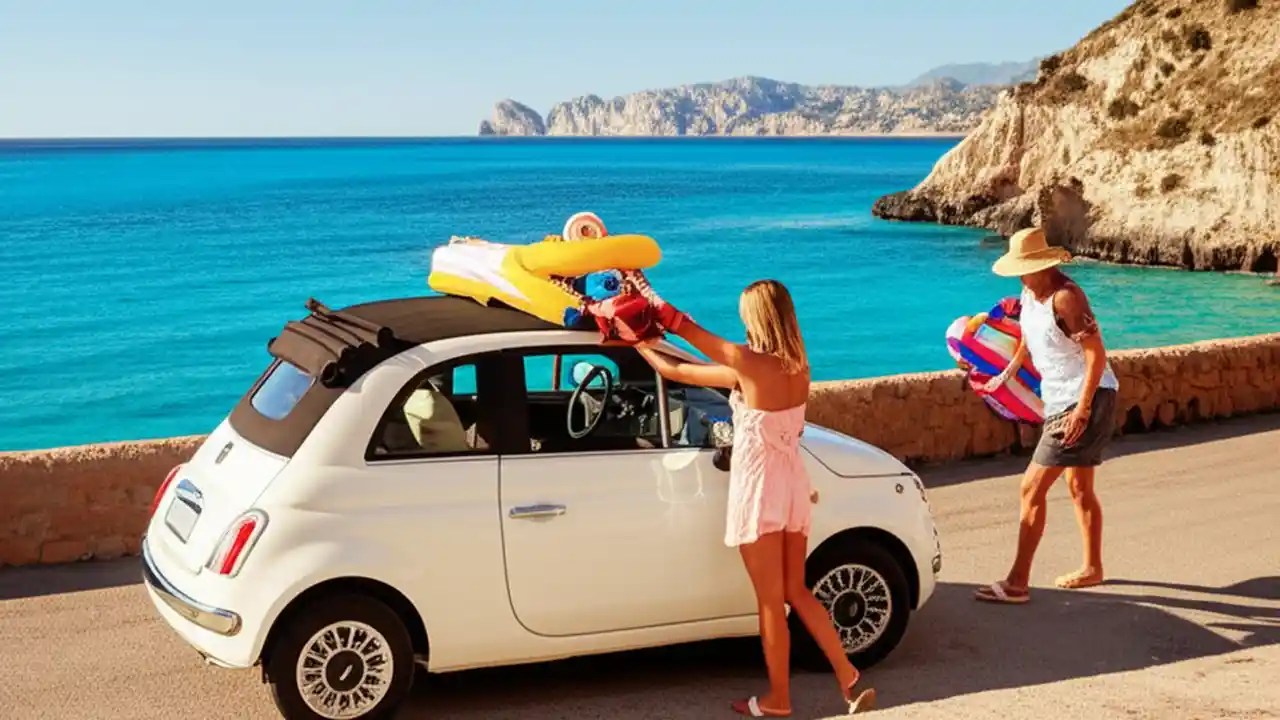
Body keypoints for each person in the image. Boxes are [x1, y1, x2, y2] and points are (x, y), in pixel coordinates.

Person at [636, 280, 876, 716]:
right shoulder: (799, 368)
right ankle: (847, 674)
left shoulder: (746, 363)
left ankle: (778, 699)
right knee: (796, 590)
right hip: (792, 484)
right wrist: (652, 330)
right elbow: (692, 365)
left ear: (757, 317)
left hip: (761, 488)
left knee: (770, 601)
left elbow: (680, 349)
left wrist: (636, 338)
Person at [976, 227, 1120, 604]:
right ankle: (1093, 568)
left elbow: (1096, 354)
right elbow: (1029, 336)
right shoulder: (1030, 294)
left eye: (1024, 269)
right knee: (1079, 488)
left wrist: (1083, 409)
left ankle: (1017, 583)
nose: (1020, 277)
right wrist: (1005, 375)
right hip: (1059, 400)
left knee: (1031, 488)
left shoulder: (1067, 298)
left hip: (1085, 398)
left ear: (1043, 264)